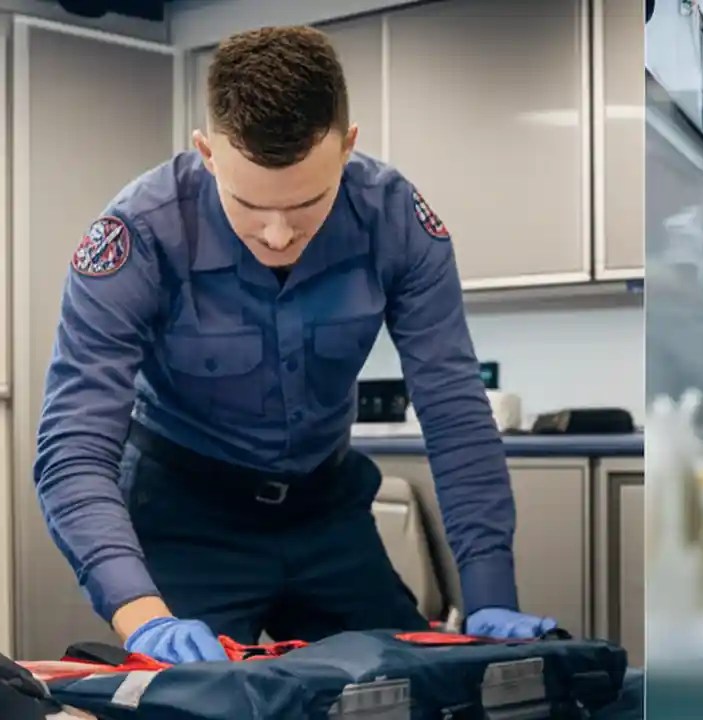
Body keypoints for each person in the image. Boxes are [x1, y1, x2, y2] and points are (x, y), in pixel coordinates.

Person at [33, 26, 555, 664]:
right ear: (206, 153)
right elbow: (74, 450)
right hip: (183, 515)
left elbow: (454, 412)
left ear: (348, 147)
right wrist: (141, 618)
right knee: (189, 702)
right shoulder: (138, 234)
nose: (278, 234)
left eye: (307, 204)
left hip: (325, 512)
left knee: (414, 686)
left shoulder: (394, 220)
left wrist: (489, 592)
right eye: (249, 205)